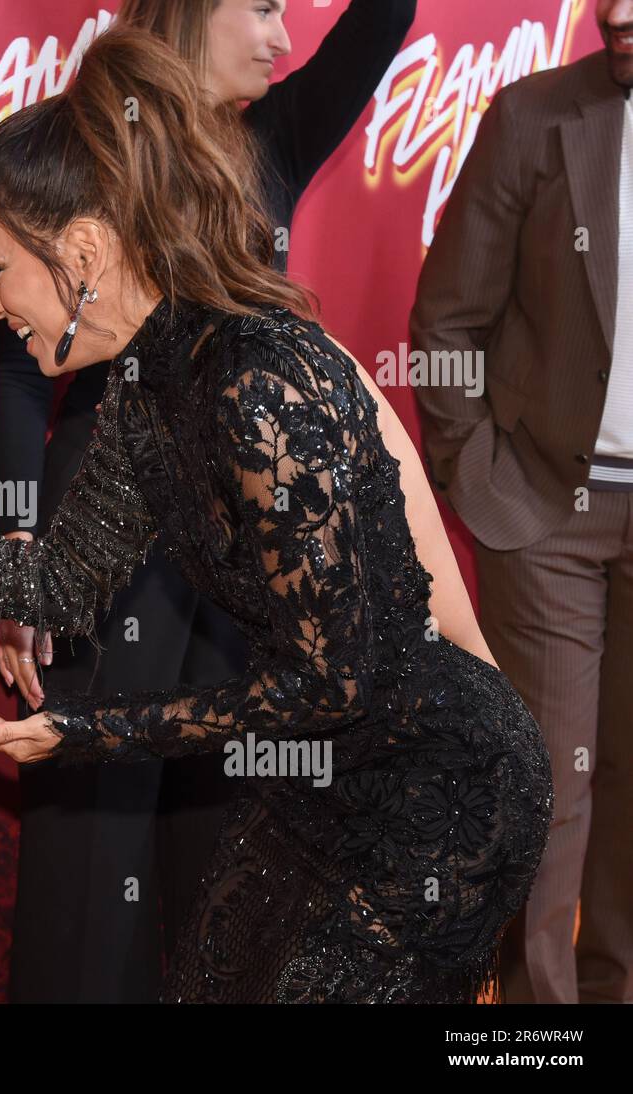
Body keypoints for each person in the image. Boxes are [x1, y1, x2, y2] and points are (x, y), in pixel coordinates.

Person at [0, 26, 552, 1003]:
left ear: (79, 250)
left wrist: (90, 733)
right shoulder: (152, 393)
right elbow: (54, 583)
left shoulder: (252, 386)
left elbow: (329, 684)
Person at [0, 0, 418, 1001]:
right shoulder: (79, 147)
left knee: (227, 816)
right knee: (95, 826)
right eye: (261, 7)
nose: (282, 36)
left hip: (240, 527)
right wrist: (15, 532)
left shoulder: (273, 138)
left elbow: (384, 15)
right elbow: (16, 371)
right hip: (107, 513)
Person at [411, 0, 633, 1004]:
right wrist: (477, 477)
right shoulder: (532, 117)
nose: (615, 11)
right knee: (547, 789)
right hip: (546, 510)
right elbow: (447, 315)